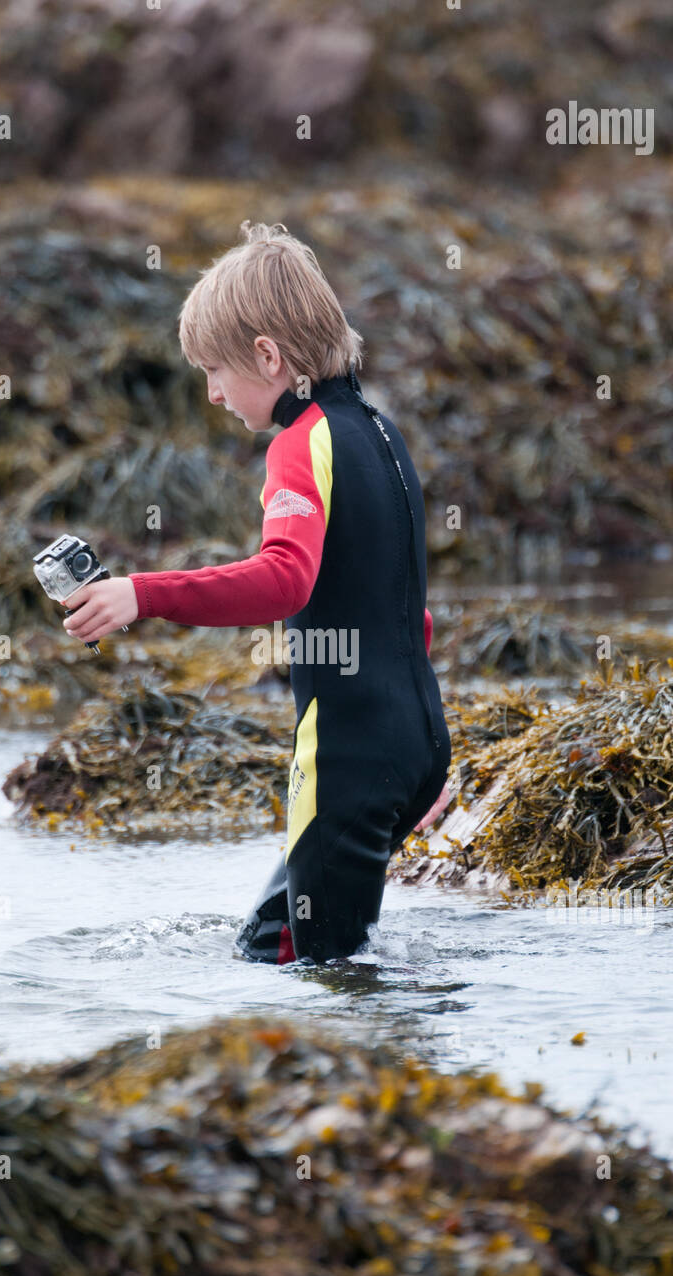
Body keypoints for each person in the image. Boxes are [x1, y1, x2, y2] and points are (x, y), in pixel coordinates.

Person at [60, 221, 452, 965]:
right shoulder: (380, 433)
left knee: (320, 978)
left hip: (348, 756)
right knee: (271, 943)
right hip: (413, 739)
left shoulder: (300, 443)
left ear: (267, 356)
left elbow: (282, 580)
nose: (210, 392)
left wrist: (142, 594)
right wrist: (418, 753)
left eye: (213, 369)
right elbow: (407, 610)